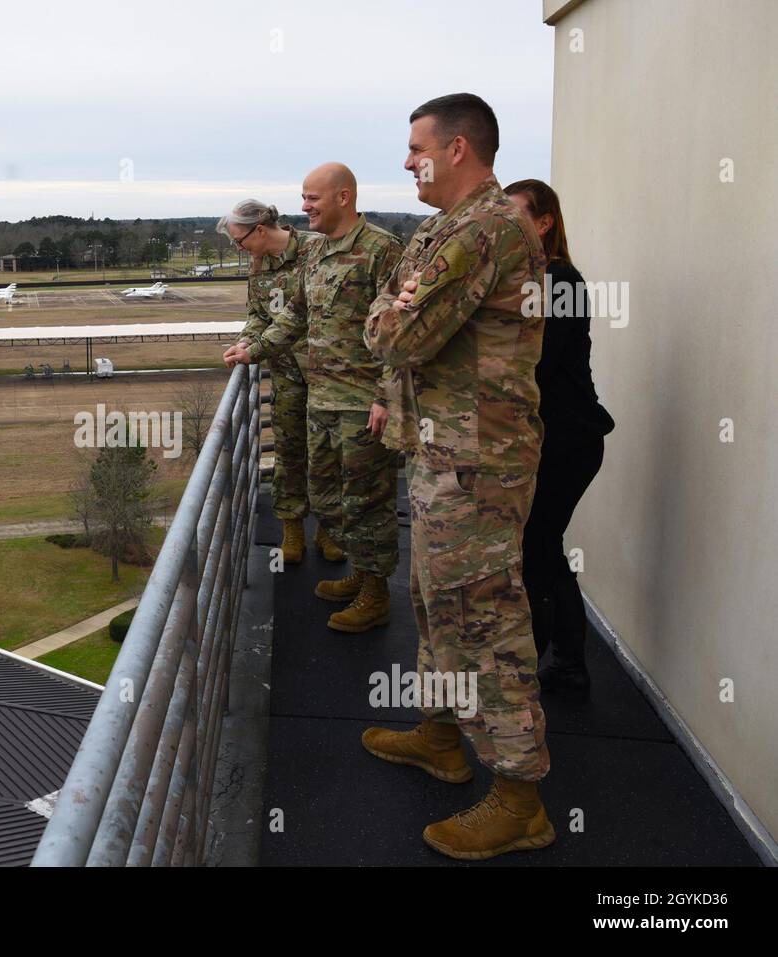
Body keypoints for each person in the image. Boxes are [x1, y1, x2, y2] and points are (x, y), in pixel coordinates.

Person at [363, 93, 554, 860]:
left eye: (417, 148)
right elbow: (395, 316)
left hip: (477, 463)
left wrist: (392, 306)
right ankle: (443, 737)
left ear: (459, 150)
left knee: (485, 621)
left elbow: (394, 333)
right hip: (446, 455)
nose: (407, 161)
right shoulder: (449, 228)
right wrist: (395, 301)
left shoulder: (480, 229)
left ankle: (519, 797)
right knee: (438, 606)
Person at [226, 163, 403, 633]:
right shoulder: (319, 254)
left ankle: (375, 593)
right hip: (321, 400)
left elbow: (405, 332)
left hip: (363, 404)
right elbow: (294, 317)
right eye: (303, 198)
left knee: (368, 501)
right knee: (332, 498)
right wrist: (253, 349)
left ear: (343, 198)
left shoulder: (382, 250)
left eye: (312, 199)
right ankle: (360, 575)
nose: (302, 208)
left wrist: (387, 396)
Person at [505, 179, 615, 694]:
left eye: (516, 214)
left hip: (567, 439)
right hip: (551, 436)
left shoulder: (561, 281)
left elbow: (538, 363)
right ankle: (565, 660)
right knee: (542, 544)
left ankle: (558, 662)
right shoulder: (531, 279)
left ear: (544, 222)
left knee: (538, 545)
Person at [216, 200, 313, 563]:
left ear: (259, 229)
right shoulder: (258, 265)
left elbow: (303, 318)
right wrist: (245, 340)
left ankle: (333, 533)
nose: (238, 249)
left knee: (330, 455)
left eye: (239, 241)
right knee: (289, 453)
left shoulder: (314, 251)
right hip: (287, 373)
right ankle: (293, 532)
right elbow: (258, 313)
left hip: (328, 373)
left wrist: (255, 349)